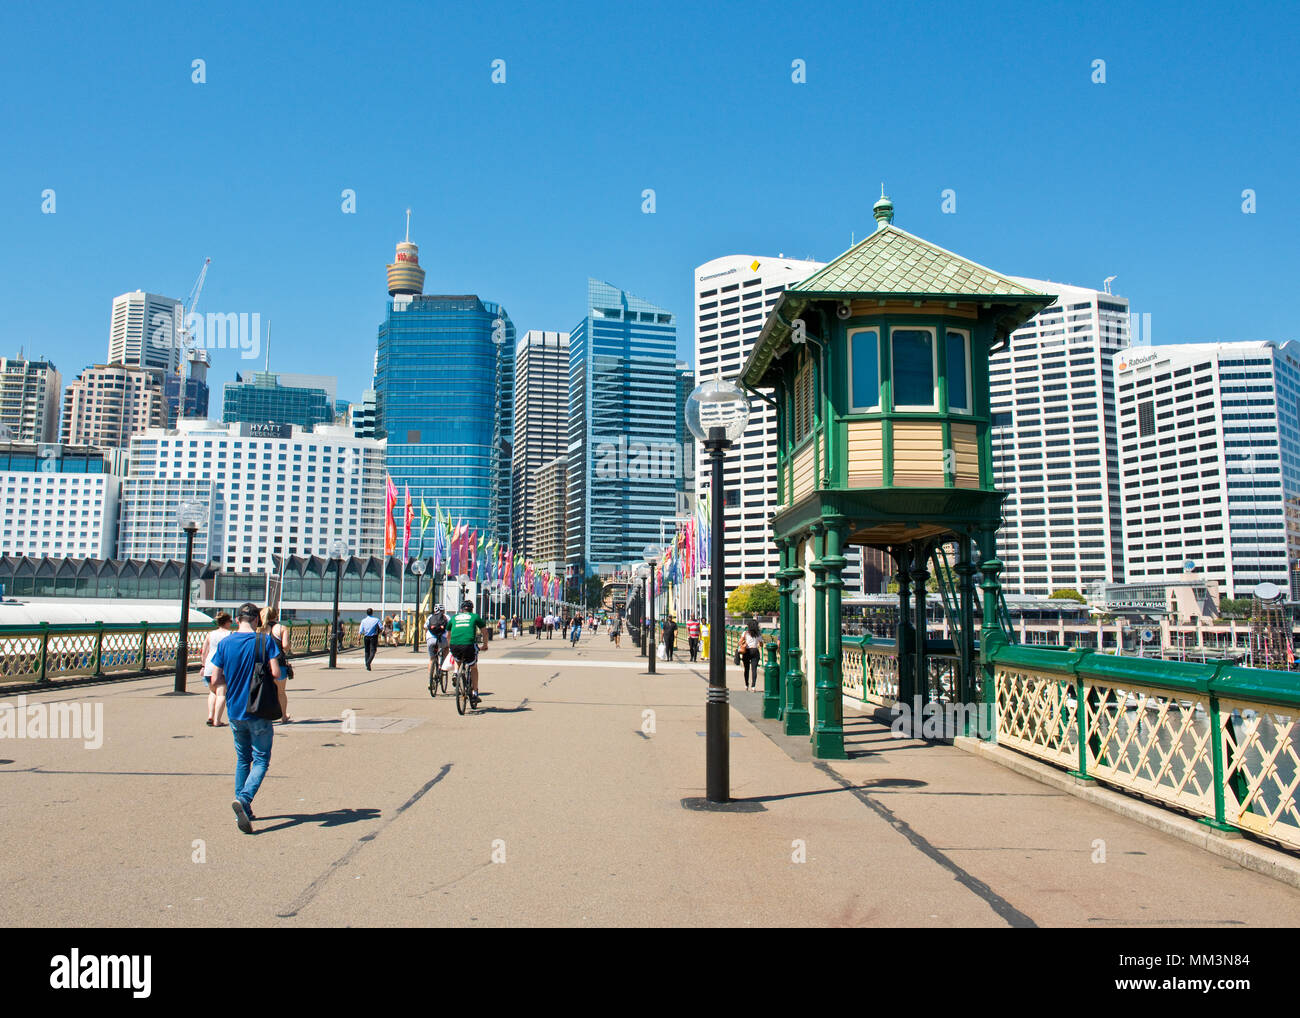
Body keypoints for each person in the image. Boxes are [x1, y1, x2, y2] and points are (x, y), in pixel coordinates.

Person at [209, 601, 283, 834]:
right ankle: (244, 799)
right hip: (259, 709)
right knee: (261, 759)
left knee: (243, 759)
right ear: (256, 620)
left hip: (235, 710)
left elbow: (215, 680)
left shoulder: (225, 643)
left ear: (238, 619)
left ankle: (244, 808)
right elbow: (276, 673)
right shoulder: (265, 641)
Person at [447, 600, 488, 709]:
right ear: (471, 609)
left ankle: (456, 673)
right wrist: (485, 645)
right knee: (473, 667)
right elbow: (484, 631)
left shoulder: (454, 617)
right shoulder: (474, 617)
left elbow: (448, 634)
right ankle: (475, 693)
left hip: (455, 645)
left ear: (461, 609)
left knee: (457, 659)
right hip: (469, 645)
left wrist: (450, 645)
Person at [260, 606, 294, 723]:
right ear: (275, 615)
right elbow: (285, 646)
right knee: (280, 692)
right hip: (278, 662)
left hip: (262, 664)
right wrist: (287, 648)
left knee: (262, 690)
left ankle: (263, 714)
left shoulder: (259, 629)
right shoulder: (281, 628)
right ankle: (283, 716)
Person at [202, 611, 233, 727]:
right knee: (221, 693)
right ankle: (217, 720)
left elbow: (204, 651)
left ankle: (210, 715)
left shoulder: (210, 634)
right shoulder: (230, 634)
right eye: (230, 621)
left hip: (209, 665)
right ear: (226, 622)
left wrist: (203, 665)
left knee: (212, 692)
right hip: (222, 666)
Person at [425, 602, 449, 691]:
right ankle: (442, 666)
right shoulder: (446, 617)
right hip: (442, 639)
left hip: (430, 639)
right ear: (443, 610)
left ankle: (430, 681)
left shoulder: (430, 617)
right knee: (446, 648)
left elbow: (425, 627)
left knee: (432, 659)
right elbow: (451, 628)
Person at [740, 620, 764, 691]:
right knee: (754, 669)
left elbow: (740, 642)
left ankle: (746, 685)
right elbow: (761, 644)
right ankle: (753, 686)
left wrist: (744, 642)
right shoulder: (758, 634)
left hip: (747, 651)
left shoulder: (745, 633)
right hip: (755, 651)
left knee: (746, 669)